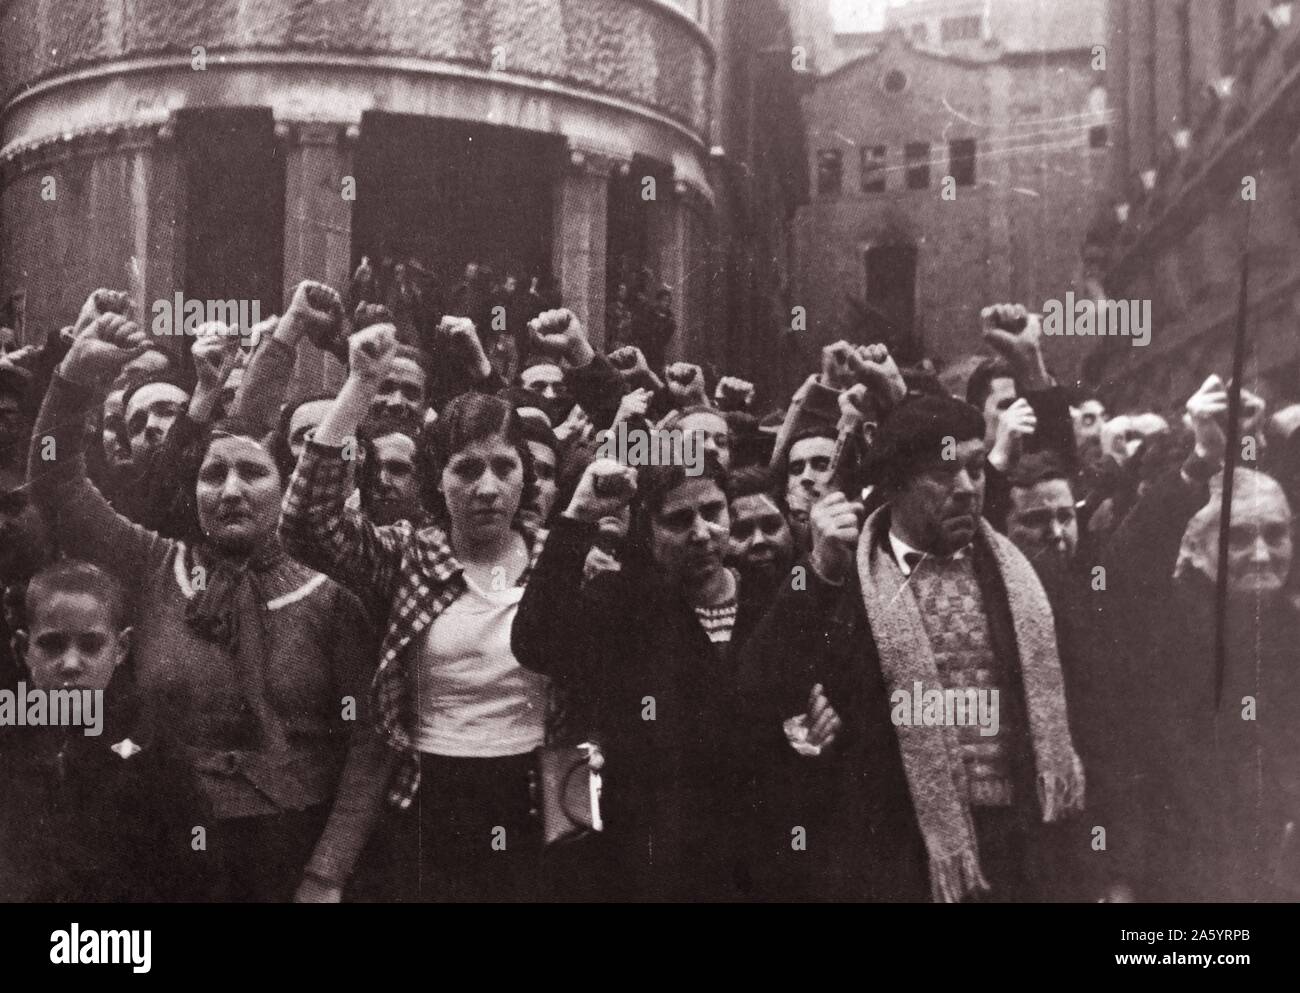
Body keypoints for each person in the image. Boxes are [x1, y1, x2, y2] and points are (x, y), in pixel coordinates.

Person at [29, 308, 374, 902]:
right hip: (163, 847)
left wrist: (326, 872)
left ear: (285, 483)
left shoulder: (331, 602)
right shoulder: (153, 565)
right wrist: (72, 382)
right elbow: (57, 488)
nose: (232, 489)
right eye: (214, 475)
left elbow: (371, 744)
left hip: (291, 853)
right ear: (193, 491)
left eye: (253, 473)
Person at [738, 393, 1084, 902]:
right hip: (894, 863)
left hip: (1023, 856)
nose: (967, 488)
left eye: (975, 467)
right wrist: (819, 570)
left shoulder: (1030, 578)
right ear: (896, 482)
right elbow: (756, 689)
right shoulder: (846, 583)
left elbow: (1094, 717)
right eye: (944, 473)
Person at [282, 321, 550, 904]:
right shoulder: (408, 552)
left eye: (504, 467)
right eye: (466, 469)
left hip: (538, 790)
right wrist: (358, 386)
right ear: (436, 478)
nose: (487, 488)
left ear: (525, 475)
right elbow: (306, 525)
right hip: (430, 791)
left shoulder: (559, 558)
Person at [1101, 375, 1300, 902]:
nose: (1261, 552)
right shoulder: (1169, 625)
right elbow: (1126, 566)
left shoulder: (1292, 627)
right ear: (1197, 549)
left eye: (1275, 535)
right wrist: (1203, 455)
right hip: (1192, 878)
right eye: (1237, 538)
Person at [0, 560, 212, 902]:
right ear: (24, 649)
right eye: (52, 645)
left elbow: (195, 851)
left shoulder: (152, 744)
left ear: (121, 648)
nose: (71, 664)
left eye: (91, 645)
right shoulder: (10, 739)